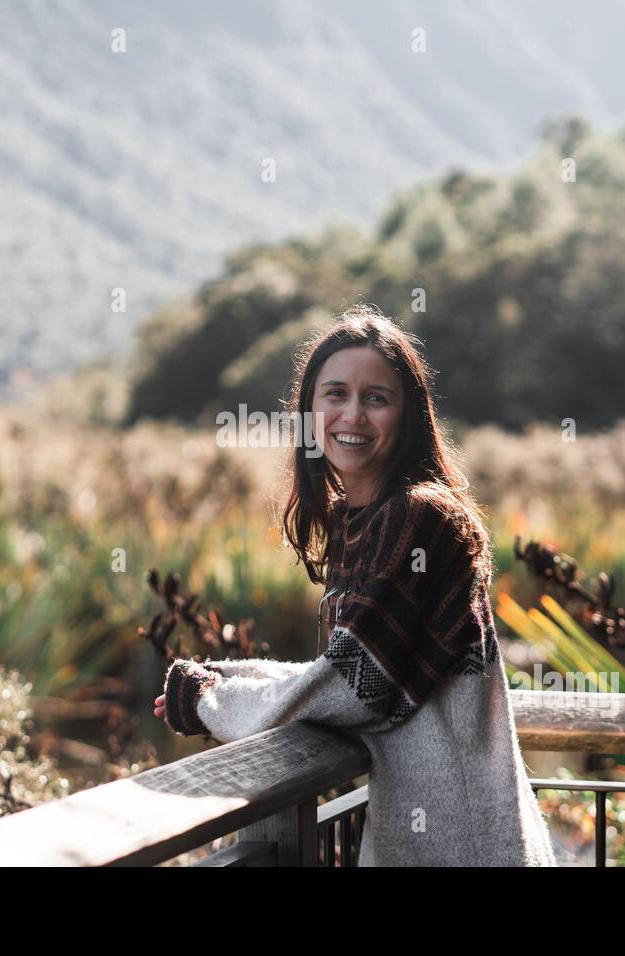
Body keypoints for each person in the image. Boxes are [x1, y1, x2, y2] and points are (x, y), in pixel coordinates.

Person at [153, 304, 557, 866]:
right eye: (335, 394)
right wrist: (230, 676)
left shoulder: (421, 518)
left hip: (466, 841)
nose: (352, 415)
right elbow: (356, 669)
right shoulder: (358, 525)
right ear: (310, 412)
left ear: (408, 414)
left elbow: (354, 689)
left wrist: (212, 701)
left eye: (376, 398)